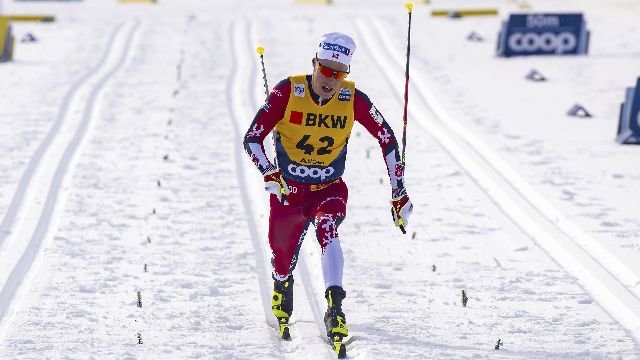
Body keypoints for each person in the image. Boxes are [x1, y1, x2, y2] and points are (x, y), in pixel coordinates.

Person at [243, 32, 413, 342]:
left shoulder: (352, 99)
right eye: (325, 70)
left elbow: (386, 137)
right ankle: (282, 280)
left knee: (328, 229)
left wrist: (398, 190)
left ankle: (335, 308)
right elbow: (252, 137)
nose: (330, 79)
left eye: (338, 73)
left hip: (328, 189)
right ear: (314, 64)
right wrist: (268, 171)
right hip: (289, 193)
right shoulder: (287, 91)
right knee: (283, 257)